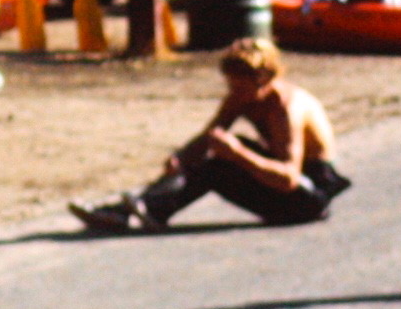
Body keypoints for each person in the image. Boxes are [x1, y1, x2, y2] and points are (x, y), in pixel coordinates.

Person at [70, 38, 351, 233]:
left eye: (240, 87)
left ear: (263, 79)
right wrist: (180, 158)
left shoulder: (286, 108)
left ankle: (149, 209)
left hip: (308, 198)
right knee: (217, 151)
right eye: (231, 86)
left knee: (225, 159)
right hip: (282, 186)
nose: (235, 94)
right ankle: (134, 206)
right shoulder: (244, 96)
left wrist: (239, 155)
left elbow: (289, 178)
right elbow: (208, 138)